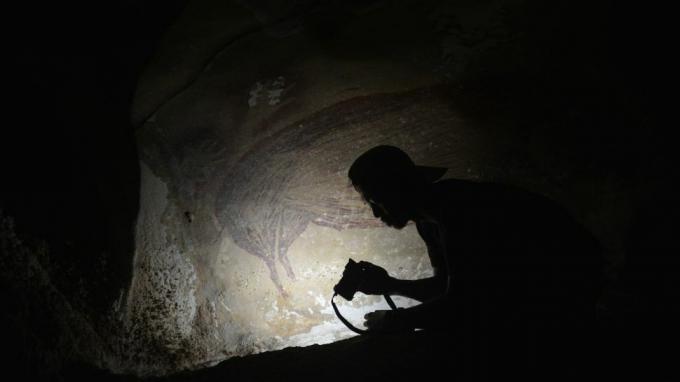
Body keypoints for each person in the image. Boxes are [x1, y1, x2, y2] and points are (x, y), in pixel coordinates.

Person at [347, 145, 605, 379]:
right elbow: (448, 288)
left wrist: (395, 320)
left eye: (375, 200)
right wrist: (390, 285)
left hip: (569, 290)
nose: (376, 213)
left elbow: (464, 304)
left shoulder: (460, 210)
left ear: (397, 189)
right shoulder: (428, 222)